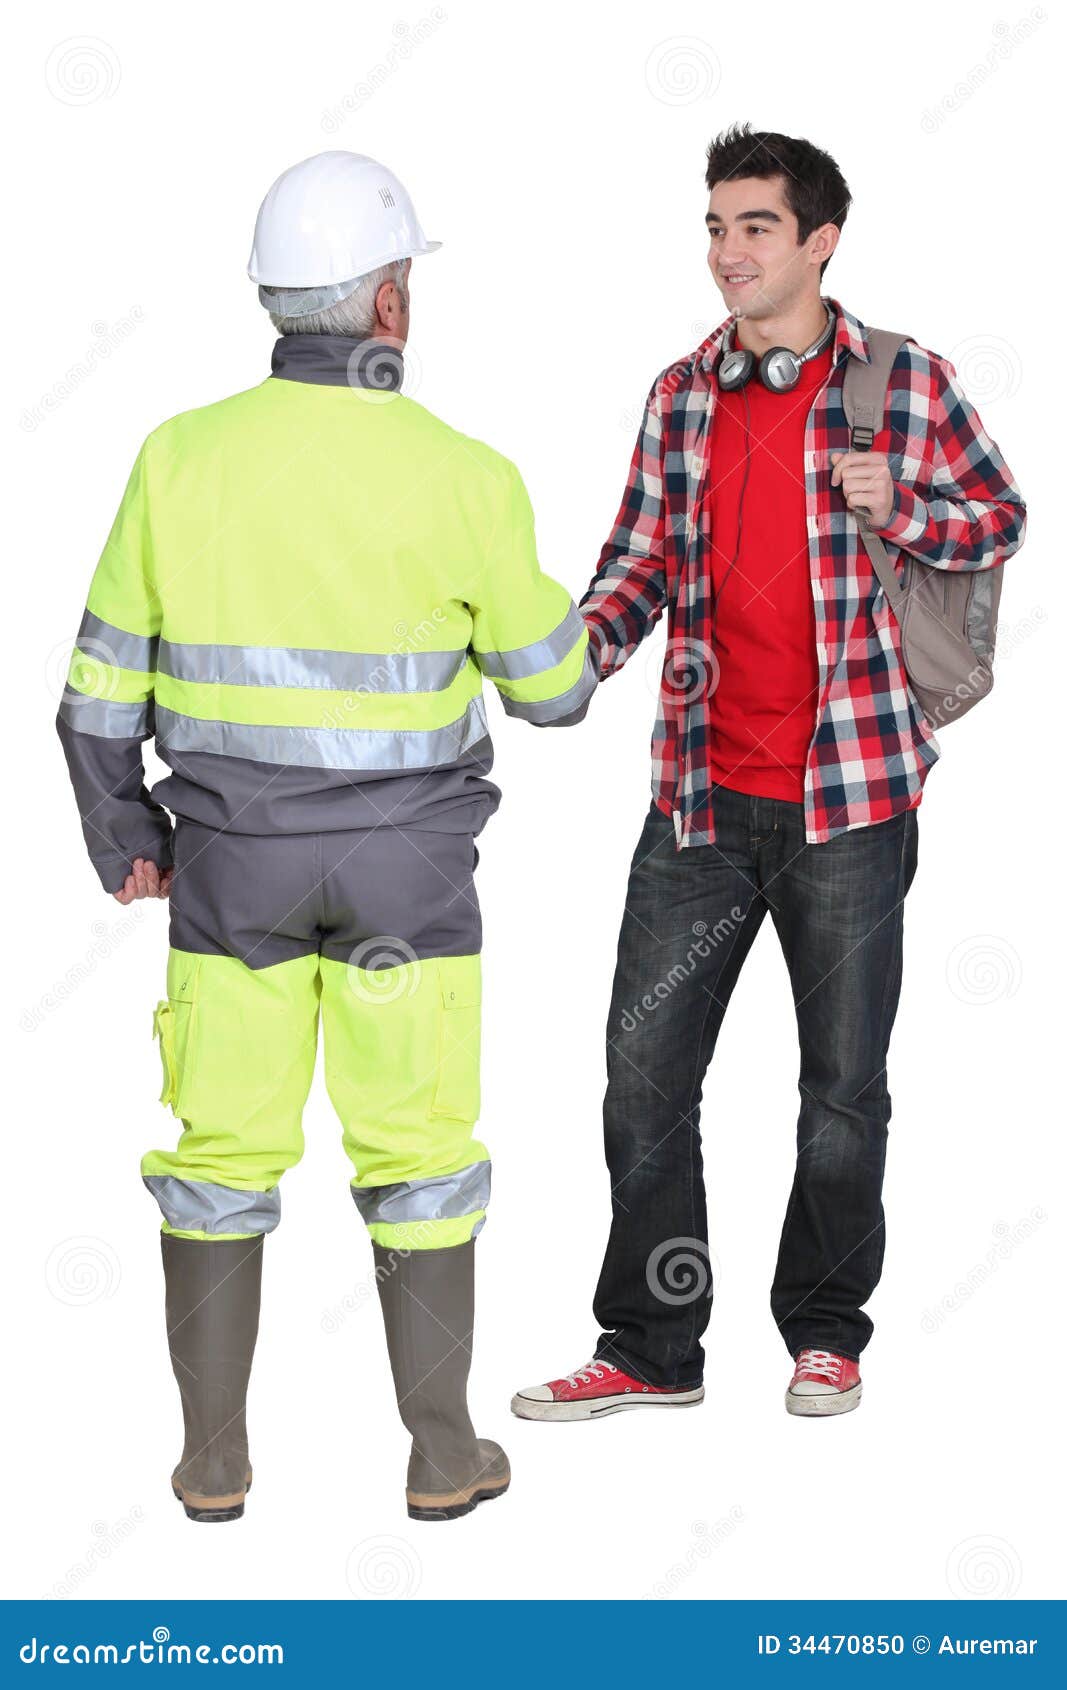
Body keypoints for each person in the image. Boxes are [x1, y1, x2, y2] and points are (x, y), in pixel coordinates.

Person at [57, 150, 596, 1522]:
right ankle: (439, 1449)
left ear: (276, 302)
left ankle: (214, 1457)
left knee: (219, 1155)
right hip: (409, 878)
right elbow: (553, 693)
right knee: (418, 1150)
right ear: (393, 303)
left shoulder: (178, 459)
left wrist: (126, 832)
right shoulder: (467, 475)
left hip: (229, 872)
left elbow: (96, 693)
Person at [512, 124, 1025, 1424]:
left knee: (842, 1090)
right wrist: (575, 649)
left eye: (755, 226)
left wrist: (897, 501)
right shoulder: (681, 393)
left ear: (819, 240)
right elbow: (636, 565)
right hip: (700, 801)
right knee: (642, 1071)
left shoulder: (902, 383)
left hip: (849, 800)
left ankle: (825, 1331)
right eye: (716, 226)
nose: (728, 251)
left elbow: (999, 514)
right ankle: (650, 1343)